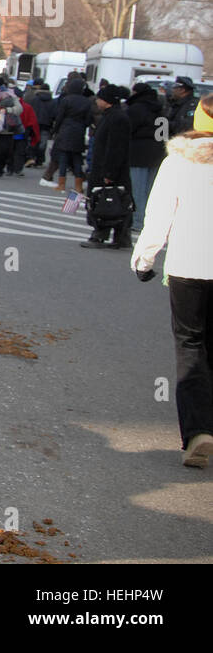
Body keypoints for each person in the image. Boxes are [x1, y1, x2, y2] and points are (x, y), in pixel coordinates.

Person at [131, 93, 213, 467]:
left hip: (189, 266)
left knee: (191, 345)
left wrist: (144, 259)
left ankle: (199, 431)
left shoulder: (179, 161)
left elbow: (160, 215)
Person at [80, 84, 132, 249]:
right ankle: (121, 237)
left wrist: (110, 172)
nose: (97, 101)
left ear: (107, 100)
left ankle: (101, 235)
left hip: (109, 169)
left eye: (100, 98)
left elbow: (116, 148)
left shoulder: (117, 119)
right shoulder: (110, 116)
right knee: (113, 201)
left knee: (106, 201)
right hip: (105, 167)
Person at [127, 81, 166, 231]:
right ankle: (150, 221)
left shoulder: (136, 109)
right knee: (150, 191)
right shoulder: (160, 108)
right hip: (158, 153)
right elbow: (165, 133)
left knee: (137, 190)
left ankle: (137, 221)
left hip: (138, 153)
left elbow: (128, 129)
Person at [49, 76, 93, 193]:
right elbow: (89, 119)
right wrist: (82, 126)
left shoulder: (66, 100)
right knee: (77, 159)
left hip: (65, 130)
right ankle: (78, 185)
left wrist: (55, 130)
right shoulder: (87, 102)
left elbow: (59, 117)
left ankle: (61, 184)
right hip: (79, 131)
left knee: (63, 158)